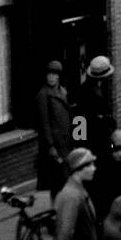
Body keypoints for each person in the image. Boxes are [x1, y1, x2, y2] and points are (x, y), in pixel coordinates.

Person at [53, 148, 101, 240]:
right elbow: (65, 232)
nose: (94, 168)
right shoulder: (71, 196)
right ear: (79, 168)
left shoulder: (78, 189)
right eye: (90, 165)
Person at [35, 60, 74, 201]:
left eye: (54, 75)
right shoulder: (43, 95)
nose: (51, 77)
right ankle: (57, 210)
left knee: (66, 179)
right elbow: (44, 123)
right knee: (58, 181)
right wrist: (50, 145)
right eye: (49, 74)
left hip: (66, 143)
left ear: (59, 77)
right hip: (55, 146)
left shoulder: (63, 91)